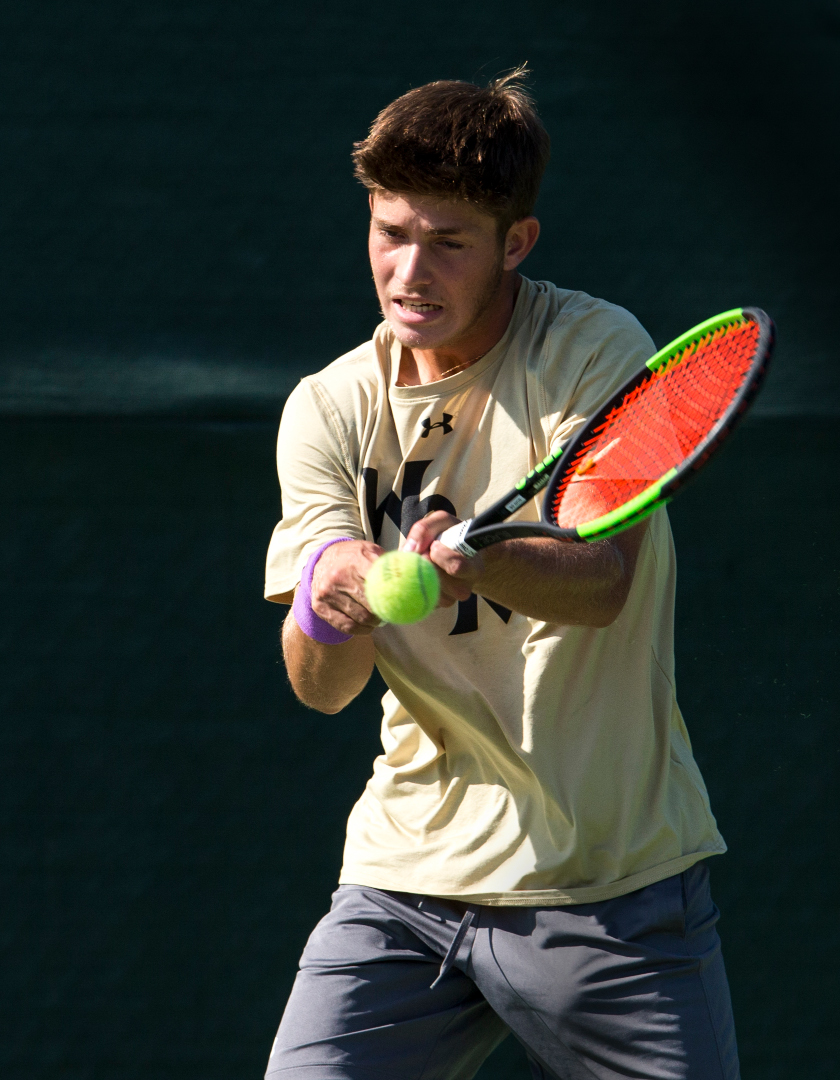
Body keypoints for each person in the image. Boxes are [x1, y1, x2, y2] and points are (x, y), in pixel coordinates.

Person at [262, 70, 738, 1080]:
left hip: (608, 889)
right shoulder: (328, 406)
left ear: (514, 243)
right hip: (403, 885)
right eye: (391, 233)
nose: (408, 272)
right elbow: (320, 686)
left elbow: (601, 581)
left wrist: (470, 563)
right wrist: (331, 598)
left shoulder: (593, 349)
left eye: (448, 242)